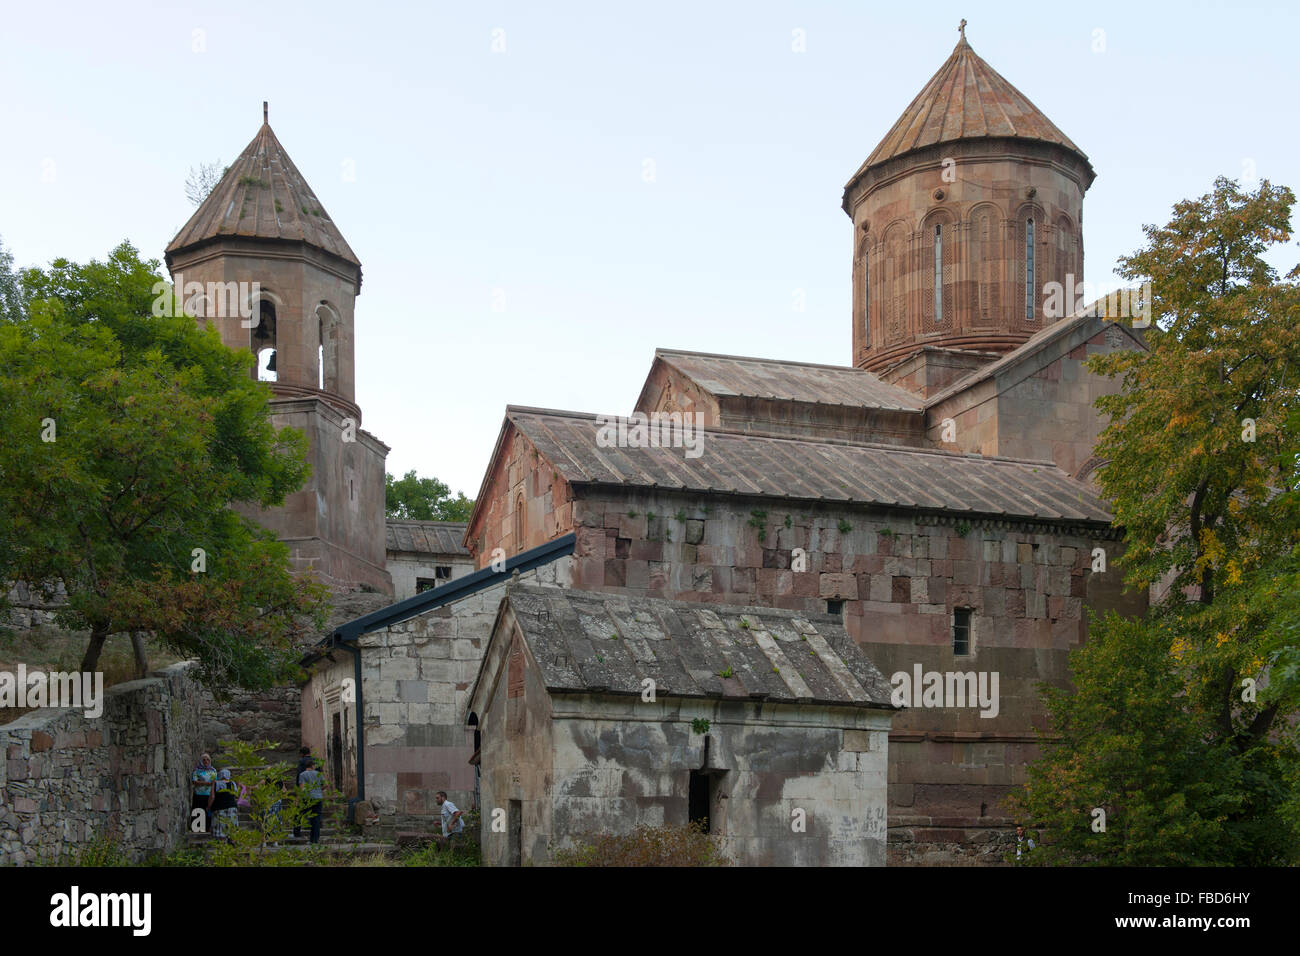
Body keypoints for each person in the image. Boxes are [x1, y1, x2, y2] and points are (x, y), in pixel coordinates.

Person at [299, 758, 325, 845]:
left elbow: (302, 789)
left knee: (311, 819)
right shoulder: (318, 774)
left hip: (308, 798)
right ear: (313, 766)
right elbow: (326, 785)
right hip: (318, 798)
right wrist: (319, 790)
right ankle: (315, 840)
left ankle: (311, 840)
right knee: (317, 819)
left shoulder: (302, 774)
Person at [190, 753, 217, 834]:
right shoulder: (197, 770)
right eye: (204, 760)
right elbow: (194, 781)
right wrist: (205, 783)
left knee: (208, 812)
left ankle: (207, 828)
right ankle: (197, 829)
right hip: (199, 794)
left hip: (209, 794)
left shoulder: (213, 771)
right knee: (198, 811)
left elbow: (216, 782)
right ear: (201, 761)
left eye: (208, 759)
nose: (206, 761)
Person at [211, 769, 240, 840]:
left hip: (219, 807)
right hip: (232, 807)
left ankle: (222, 843)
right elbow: (236, 795)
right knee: (231, 826)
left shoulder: (216, 783)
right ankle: (232, 842)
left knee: (220, 826)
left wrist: (209, 806)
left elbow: (212, 796)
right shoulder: (233, 783)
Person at [292, 747, 312, 838]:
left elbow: (299, 777)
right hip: (314, 791)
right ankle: (314, 833)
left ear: (301, 753)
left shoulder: (301, 762)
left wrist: (297, 793)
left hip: (303, 790)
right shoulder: (315, 761)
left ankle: (297, 832)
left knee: (298, 813)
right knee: (313, 812)